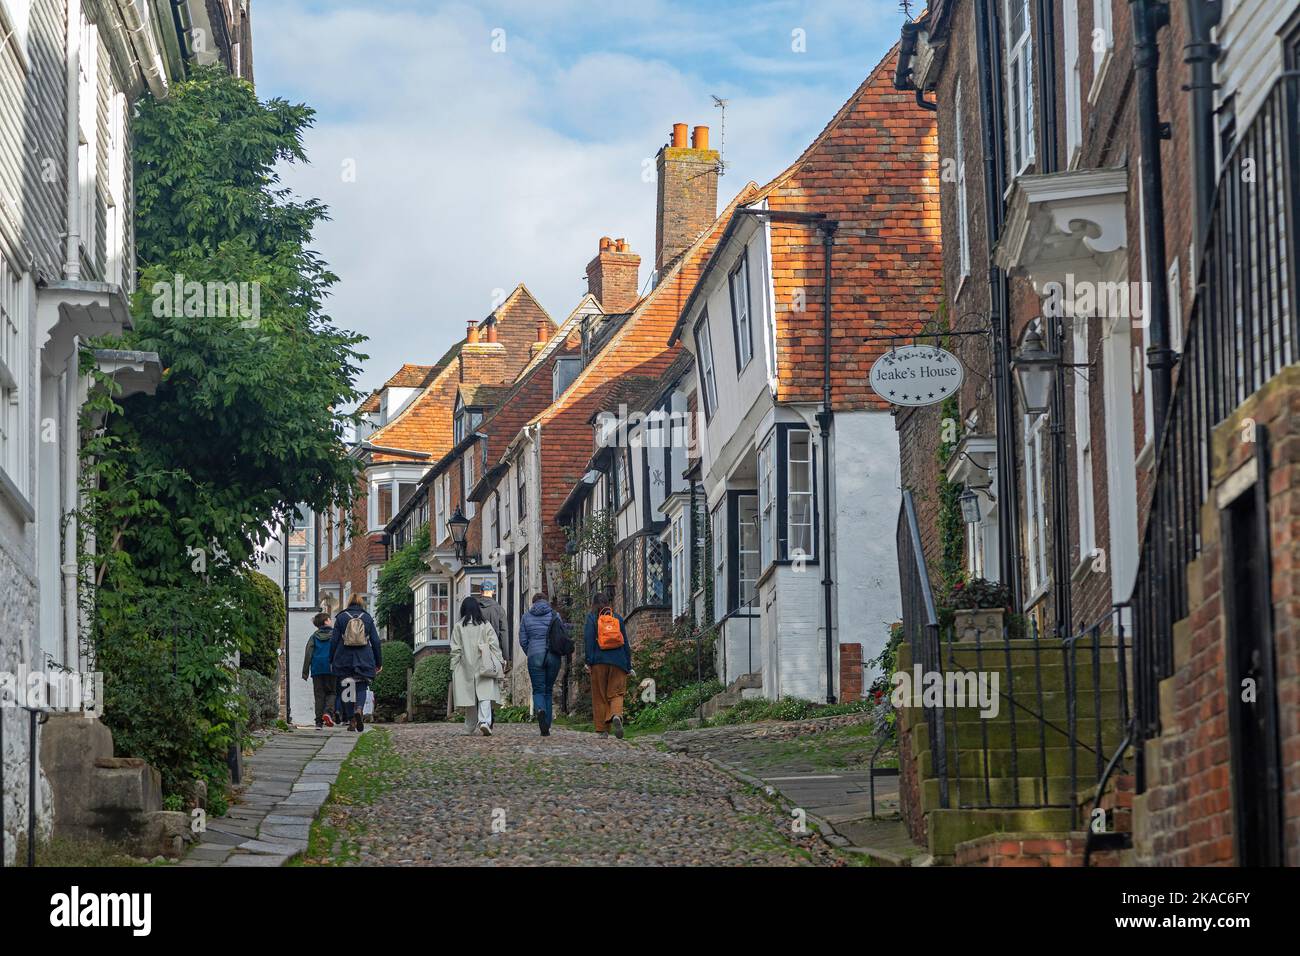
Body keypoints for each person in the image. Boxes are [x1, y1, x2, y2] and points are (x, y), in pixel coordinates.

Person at [450, 595, 504, 736]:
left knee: (469, 697)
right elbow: (494, 644)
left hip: (465, 665)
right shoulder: (485, 625)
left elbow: (455, 649)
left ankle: (469, 725)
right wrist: (499, 660)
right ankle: (485, 721)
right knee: (485, 694)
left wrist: (454, 666)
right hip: (484, 663)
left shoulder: (458, 626)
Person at [330, 594, 383, 732]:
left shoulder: (341, 617)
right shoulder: (367, 618)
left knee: (346, 689)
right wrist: (379, 662)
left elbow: (334, 641)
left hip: (343, 658)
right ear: (361, 603)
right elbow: (376, 642)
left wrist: (331, 659)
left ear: (349, 603)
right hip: (364, 657)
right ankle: (359, 709)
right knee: (361, 687)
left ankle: (351, 720)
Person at [584, 592, 632, 739]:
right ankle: (616, 715)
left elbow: (589, 641)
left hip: (598, 662)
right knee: (616, 693)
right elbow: (625, 643)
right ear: (608, 603)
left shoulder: (592, 618)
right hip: (618, 662)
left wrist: (589, 661)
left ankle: (602, 730)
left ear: (594, 604)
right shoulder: (616, 618)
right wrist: (628, 665)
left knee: (599, 696)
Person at [519, 592, 562, 736]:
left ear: (533, 603)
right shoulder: (555, 615)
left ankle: (540, 710)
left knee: (538, 690)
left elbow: (523, 640)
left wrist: (530, 652)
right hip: (553, 655)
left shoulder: (526, 617)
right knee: (548, 690)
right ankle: (547, 726)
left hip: (535, 655)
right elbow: (561, 635)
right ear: (546, 601)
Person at [301, 612, 336, 728]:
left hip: (317, 669)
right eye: (329, 619)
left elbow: (308, 654)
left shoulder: (314, 637)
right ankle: (327, 713)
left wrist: (305, 672)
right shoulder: (334, 635)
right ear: (325, 621)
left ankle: (318, 722)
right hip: (331, 668)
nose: (331, 621)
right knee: (331, 692)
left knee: (319, 695)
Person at [476, 581, 508, 664]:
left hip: (476, 650)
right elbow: (503, 633)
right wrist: (505, 657)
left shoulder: (474, 608)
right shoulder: (499, 609)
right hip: (494, 650)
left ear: (480, 591)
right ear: (493, 591)